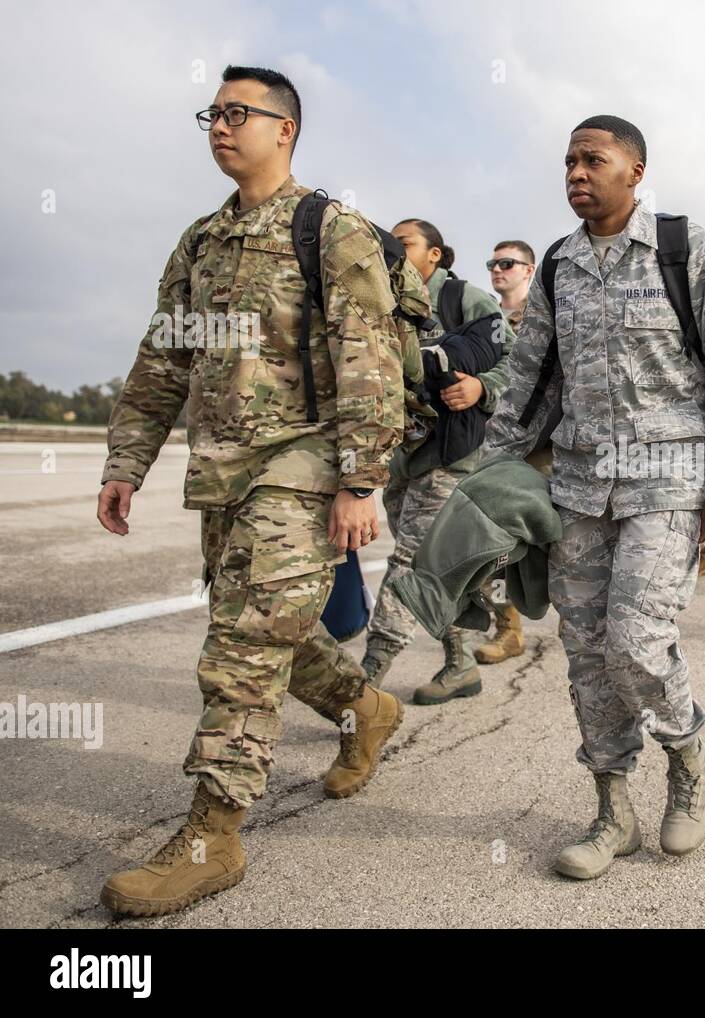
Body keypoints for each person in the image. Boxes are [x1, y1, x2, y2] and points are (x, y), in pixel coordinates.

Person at [95, 65, 406, 916]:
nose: (221, 125)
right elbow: (163, 360)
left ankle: (212, 837)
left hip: (303, 465)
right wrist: (127, 461)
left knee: (238, 649)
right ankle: (365, 708)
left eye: (240, 113)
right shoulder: (199, 243)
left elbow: (369, 362)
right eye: (213, 112)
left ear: (285, 129)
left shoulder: (329, 229)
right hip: (224, 470)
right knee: (268, 628)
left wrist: (360, 479)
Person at [480, 115, 705, 880]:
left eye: (593, 159)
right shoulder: (558, 266)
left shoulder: (686, 249)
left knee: (636, 640)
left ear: (635, 171)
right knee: (584, 655)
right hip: (580, 485)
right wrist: (487, 476)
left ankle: (687, 757)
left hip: (669, 480)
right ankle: (612, 810)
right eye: (569, 161)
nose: (576, 172)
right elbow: (531, 382)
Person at [360, 220, 515, 704]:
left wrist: (481, 387)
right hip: (403, 457)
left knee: (410, 562)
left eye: (406, 244)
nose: (396, 253)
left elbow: (521, 365)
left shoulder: (464, 301)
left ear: (435, 255)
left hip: (455, 454)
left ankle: (362, 687)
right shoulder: (382, 304)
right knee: (438, 565)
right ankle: (461, 665)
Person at [475, 240, 540, 665]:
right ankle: (508, 629)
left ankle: (582, 622)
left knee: (560, 541)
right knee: (492, 544)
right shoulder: (482, 321)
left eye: (507, 263)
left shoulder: (545, 315)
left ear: (529, 269)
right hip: (492, 444)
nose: (497, 270)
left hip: (543, 447)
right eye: (492, 263)